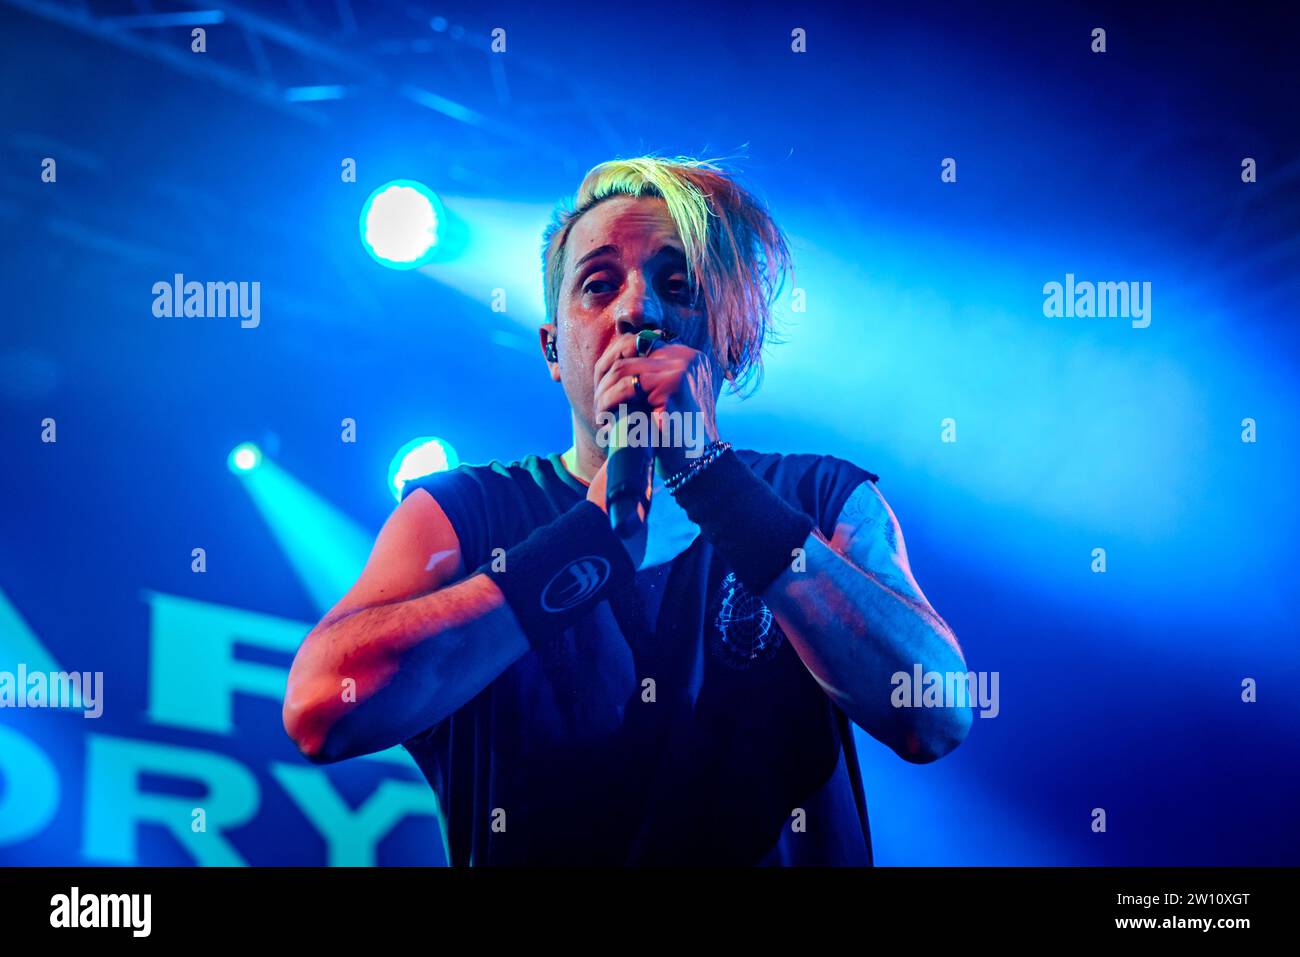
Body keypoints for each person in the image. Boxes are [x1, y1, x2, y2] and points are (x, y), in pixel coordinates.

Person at [283, 156, 971, 865]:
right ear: (553, 348)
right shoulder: (465, 512)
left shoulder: (820, 498)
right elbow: (322, 710)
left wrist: (713, 482)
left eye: (678, 285)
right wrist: (586, 544)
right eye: (599, 284)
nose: (638, 311)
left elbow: (935, 714)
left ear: (730, 342)